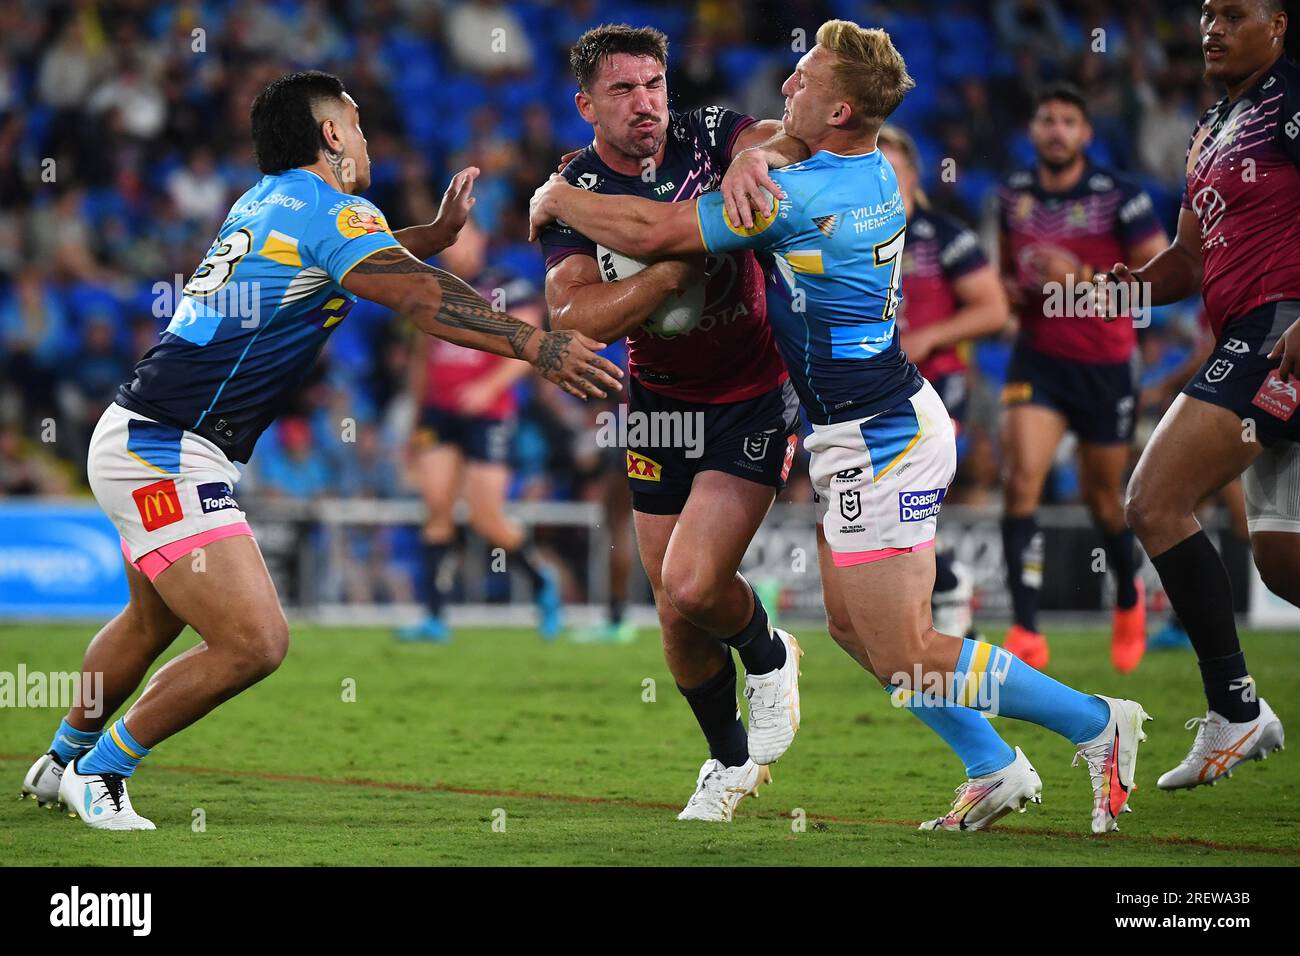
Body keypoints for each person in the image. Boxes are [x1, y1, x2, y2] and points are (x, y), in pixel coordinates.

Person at [530, 19, 1151, 834]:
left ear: (841, 113)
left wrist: (553, 197)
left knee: (908, 647)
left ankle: (1098, 723)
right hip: (857, 427)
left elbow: (654, 233)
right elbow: (770, 144)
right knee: (856, 631)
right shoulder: (852, 170)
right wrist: (757, 152)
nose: (786, 86)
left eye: (806, 80)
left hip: (881, 436)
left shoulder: (801, 196)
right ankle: (992, 765)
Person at [19, 70, 621, 829]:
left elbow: (348, 261)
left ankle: (62, 758)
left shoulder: (269, 201)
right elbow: (413, 296)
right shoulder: (327, 210)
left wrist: (427, 240)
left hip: (143, 434)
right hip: (167, 450)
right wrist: (536, 343)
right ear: (331, 133)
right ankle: (101, 774)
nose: (365, 136)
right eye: (357, 122)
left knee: (149, 623)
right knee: (254, 642)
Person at [536, 25, 809, 823]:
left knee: (694, 583)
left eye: (654, 84)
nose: (646, 102)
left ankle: (768, 650)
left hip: (754, 394)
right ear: (586, 104)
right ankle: (728, 764)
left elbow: (779, 140)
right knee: (673, 606)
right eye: (623, 90)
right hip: (657, 408)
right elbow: (572, 311)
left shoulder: (709, 135)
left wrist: (760, 157)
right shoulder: (575, 188)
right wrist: (666, 274)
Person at [1103, 0, 1293, 790]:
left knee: (1153, 497)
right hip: (1249, 334)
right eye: (1207, 13)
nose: (1211, 26)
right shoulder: (1213, 125)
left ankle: (1235, 709)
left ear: (1279, 24)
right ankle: (1238, 710)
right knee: (1283, 564)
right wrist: (1133, 288)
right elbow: (1189, 256)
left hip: (1278, 329)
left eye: (1234, 13)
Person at [994, 84, 1168, 674]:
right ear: (1034, 130)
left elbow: (1155, 283)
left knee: (1103, 499)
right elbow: (1002, 277)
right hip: (1038, 359)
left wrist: (1083, 275)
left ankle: (1127, 597)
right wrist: (1011, 295)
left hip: (1105, 365)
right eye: (1048, 120)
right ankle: (1025, 628)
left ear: (1086, 134)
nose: (1058, 130)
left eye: (1070, 121)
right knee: (1021, 481)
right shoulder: (1012, 196)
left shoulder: (1121, 197)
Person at [400, 219, 562, 643]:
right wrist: (413, 423)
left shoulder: (505, 286)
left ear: (481, 240)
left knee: (485, 517)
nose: (454, 247)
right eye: (450, 240)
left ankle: (542, 580)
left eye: (463, 237)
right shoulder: (432, 287)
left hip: (490, 415)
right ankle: (435, 617)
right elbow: (422, 358)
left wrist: (487, 386)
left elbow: (531, 341)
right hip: (439, 413)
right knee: (435, 509)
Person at [877, 125, 1009, 638]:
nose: (879, 178)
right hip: (872, 388)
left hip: (937, 385)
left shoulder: (943, 236)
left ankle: (946, 586)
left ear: (911, 174)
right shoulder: (847, 234)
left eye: (889, 167)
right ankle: (947, 579)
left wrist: (930, 336)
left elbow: (993, 309)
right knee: (887, 496)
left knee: (907, 486)